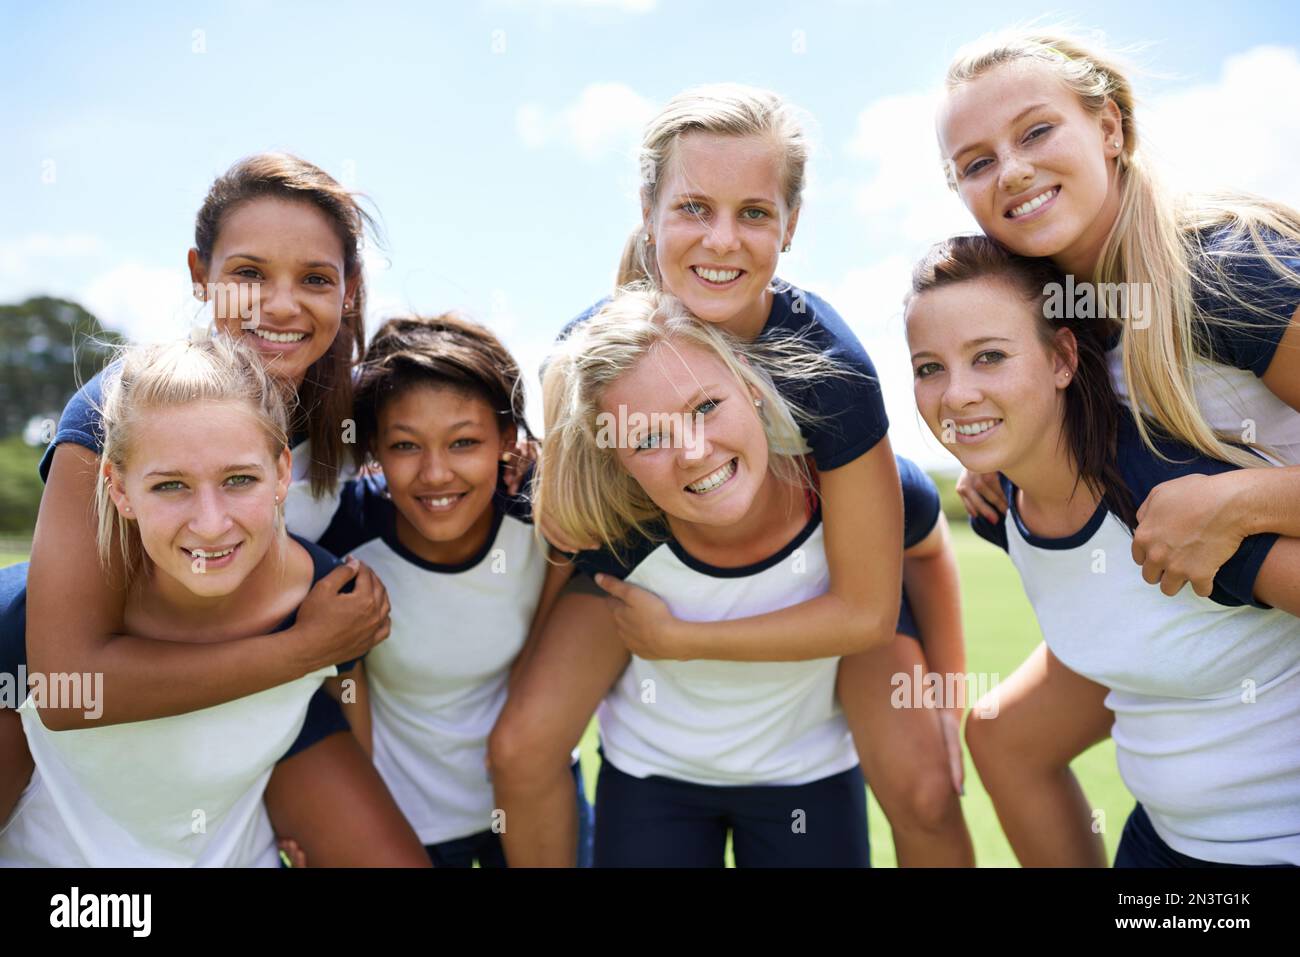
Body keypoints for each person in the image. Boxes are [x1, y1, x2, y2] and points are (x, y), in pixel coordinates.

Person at [492, 84, 974, 868]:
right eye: (693, 208)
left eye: (753, 212)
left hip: (823, 584)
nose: (722, 241)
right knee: (521, 744)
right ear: (647, 212)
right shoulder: (592, 355)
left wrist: (944, 694)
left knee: (924, 785)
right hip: (654, 565)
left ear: (790, 225)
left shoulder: (829, 371)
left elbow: (874, 597)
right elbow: (569, 527)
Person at [936, 28, 1300, 864]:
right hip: (1179, 801)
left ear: (1109, 127)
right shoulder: (1074, 310)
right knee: (1002, 734)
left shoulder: (1222, 274)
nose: (1013, 170)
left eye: (1035, 132)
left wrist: (1240, 502)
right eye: (977, 162)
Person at [2, 153, 426, 865]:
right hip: (71, 676)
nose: (282, 305)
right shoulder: (122, 410)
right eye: (248, 275)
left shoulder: (350, 410)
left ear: (348, 292)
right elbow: (69, 682)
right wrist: (305, 649)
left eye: (315, 279)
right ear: (200, 275)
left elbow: (450, 440)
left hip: (267, 680)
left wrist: (521, 467)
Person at [307, 314, 594, 867]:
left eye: (464, 442)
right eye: (406, 446)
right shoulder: (343, 543)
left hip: (534, 809)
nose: (436, 474)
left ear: (506, 440)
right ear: (374, 450)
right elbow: (344, 710)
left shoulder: (545, 519)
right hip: (408, 828)